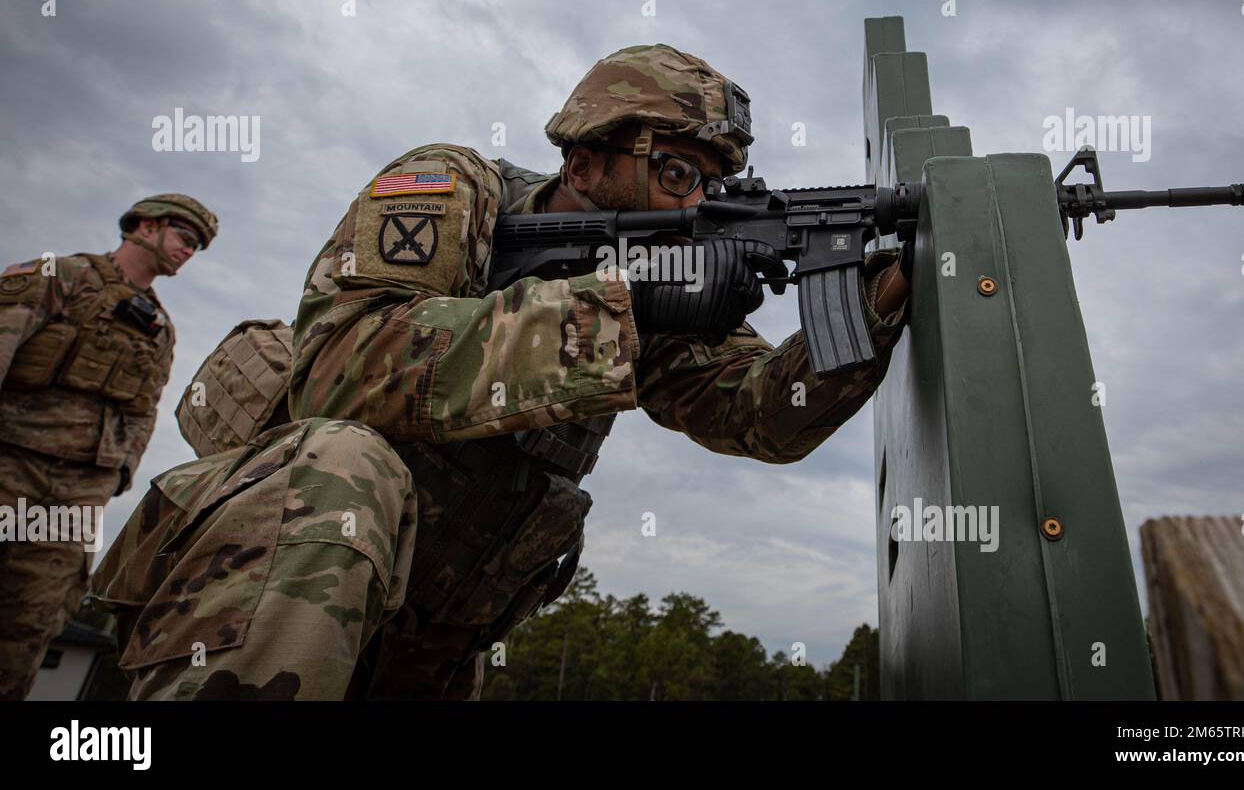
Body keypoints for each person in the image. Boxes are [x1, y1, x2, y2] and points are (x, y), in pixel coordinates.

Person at [92, 45, 910, 700]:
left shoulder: (657, 284)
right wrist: (613, 306)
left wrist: (878, 297)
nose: (694, 203)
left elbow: (764, 415)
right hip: (269, 595)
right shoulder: (453, 190)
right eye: (675, 172)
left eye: (713, 182)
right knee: (342, 460)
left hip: (430, 647)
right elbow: (343, 366)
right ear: (586, 164)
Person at [0, 194, 217, 700]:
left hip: (74, 499)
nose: (190, 251)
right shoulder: (63, 276)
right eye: (185, 237)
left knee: (31, 625)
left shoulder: (160, 329)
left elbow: (143, 412)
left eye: (198, 247)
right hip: (10, 463)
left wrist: (112, 478)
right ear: (144, 226)